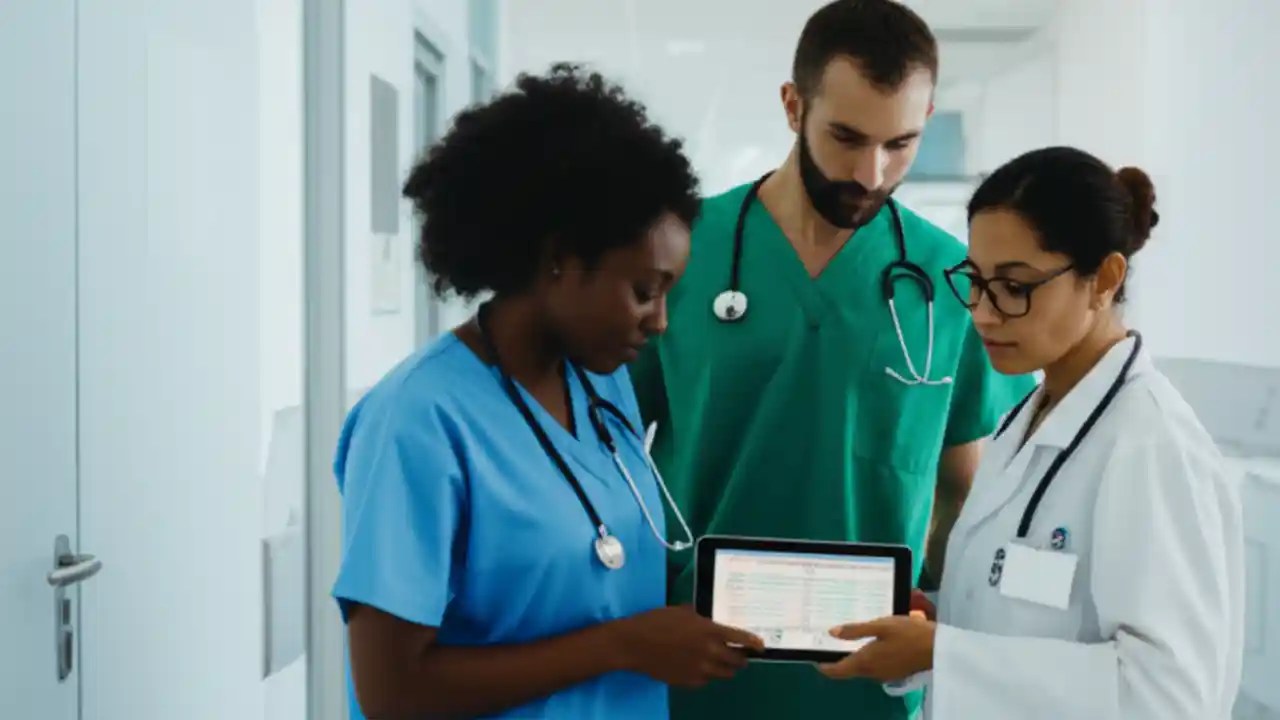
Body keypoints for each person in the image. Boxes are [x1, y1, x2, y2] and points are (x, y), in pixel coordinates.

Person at [628, 1, 1034, 717]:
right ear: (793, 106)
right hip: (697, 668)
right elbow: (611, 457)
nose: (871, 173)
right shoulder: (682, 250)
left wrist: (956, 635)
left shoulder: (949, 283)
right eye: (846, 138)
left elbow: (959, 495)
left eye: (900, 144)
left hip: (868, 685)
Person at [330, 63, 765, 720]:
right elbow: (393, 691)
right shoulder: (417, 421)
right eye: (644, 292)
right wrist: (620, 645)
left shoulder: (603, 384)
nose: (662, 321)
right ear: (559, 257)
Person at [819, 146, 1245, 719]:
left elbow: (1167, 696)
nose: (983, 313)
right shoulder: (1026, 419)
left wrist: (949, 653)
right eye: (976, 281)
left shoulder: (1150, 446)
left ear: (1104, 279)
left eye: (1015, 287)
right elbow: (1016, 617)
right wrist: (929, 629)